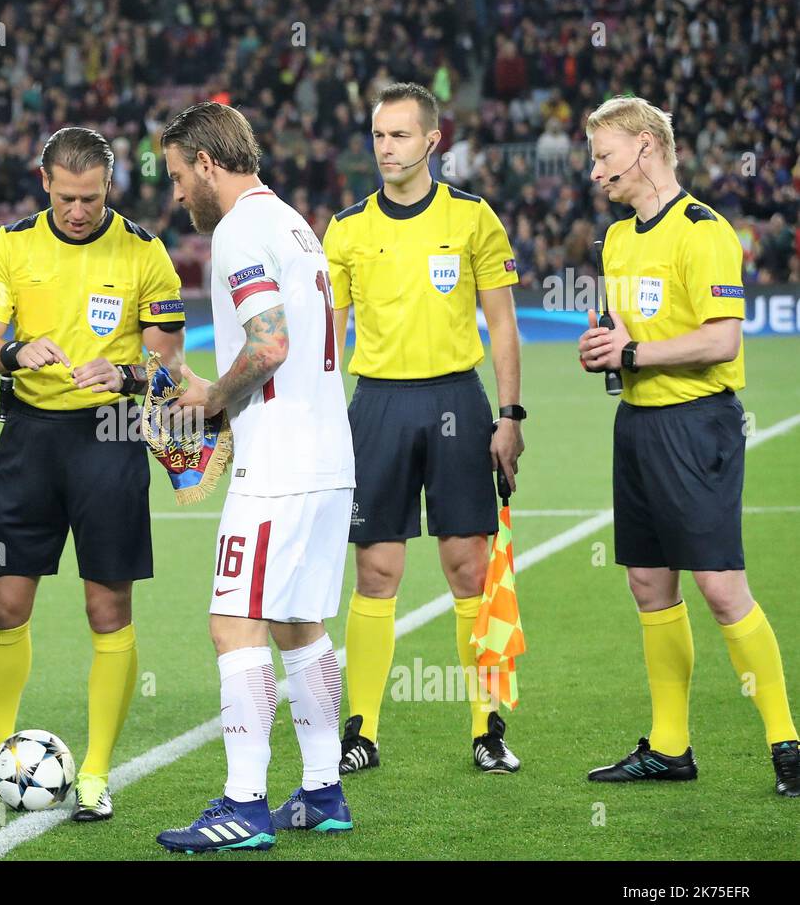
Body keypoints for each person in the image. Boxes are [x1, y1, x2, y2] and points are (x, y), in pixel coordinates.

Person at [0, 126, 185, 821]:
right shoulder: (12, 244)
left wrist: (128, 372)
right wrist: (18, 351)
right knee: (5, 604)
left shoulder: (145, 252)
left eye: (91, 197)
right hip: (28, 439)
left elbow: (170, 370)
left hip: (108, 439)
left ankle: (93, 771)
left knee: (107, 607)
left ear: (109, 186)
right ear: (44, 181)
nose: (78, 210)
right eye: (66, 196)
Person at [578, 95, 799, 796]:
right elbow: (622, 331)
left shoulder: (704, 231)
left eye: (605, 156)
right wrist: (604, 348)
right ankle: (670, 747)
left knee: (720, 585)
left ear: (646, 147)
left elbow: (721, 338)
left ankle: (786, 741)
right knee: (648, 581)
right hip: (637, 424)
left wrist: (634, 351)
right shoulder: (615, 239)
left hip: (698, 422)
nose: (595, 172)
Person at [155, 101, 356, 854]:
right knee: (299, 624)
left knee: (233, 623)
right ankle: (321, 788)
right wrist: (225, 401)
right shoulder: (294, 223)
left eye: (179, 176)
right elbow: (285, 350)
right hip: (326, 459)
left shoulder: (240, 228)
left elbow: (267, 346)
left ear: (207, 163)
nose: (177, 193)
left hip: (280, 470)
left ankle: (243, 802)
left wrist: (212, 398)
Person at [322, 82, 526, 775]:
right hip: (375, 404)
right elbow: (332, 333)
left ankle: (487, 728)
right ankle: (362, 731)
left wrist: (509, 414)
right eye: (379, 135)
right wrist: (317, 417)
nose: (386, 147)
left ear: (433, 141)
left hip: (456, 402)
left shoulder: (472, 218)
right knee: (376, 569)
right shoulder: (346, 228)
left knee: (468, 565)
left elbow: (502, 323)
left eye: (401, 135)